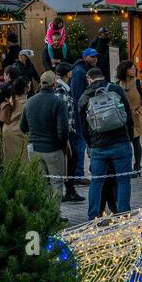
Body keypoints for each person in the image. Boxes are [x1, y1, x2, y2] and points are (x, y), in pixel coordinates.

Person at [78, 68, 134, 220]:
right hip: (120, 142)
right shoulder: (116, 89)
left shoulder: (85, 97)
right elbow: (128, 116)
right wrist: (129, 138)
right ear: (103, 76)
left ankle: (93, 215)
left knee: (96, 182)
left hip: (98, 147)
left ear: (88, 78)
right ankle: (123, 214)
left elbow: (83, 127)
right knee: (123, 180)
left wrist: (91, 145)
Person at [20, 70, 69, 204]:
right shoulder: (58, 102)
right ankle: (54, 215)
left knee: (41, 183)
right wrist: (62, 145)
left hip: (34, 149)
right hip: (53, 148)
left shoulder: (29, 102)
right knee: (56, 182)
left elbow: (23, 127)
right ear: (54, 84)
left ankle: (44, 214)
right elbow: (63, 130)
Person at [70, 46, 100, 183]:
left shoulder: (83, 70)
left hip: (82, 113)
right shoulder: (79, 72)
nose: (95, 59)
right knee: (80, 144)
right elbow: (77, 95)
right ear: (85, 57)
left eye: (96, 56)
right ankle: (78, 174)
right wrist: (80, 114)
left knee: (81, 144)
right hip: (79, 115)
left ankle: (78, 173)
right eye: (92, 56)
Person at [117, 59, 142, 177]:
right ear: (124, 70)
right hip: (122, 117)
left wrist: (140, 111)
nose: (134, 69)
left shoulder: (139, 83)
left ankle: (137, 167)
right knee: (125, 143)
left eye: (134, 67)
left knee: (136, 141)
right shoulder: (118, 84)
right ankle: (126, 166)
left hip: (136, 117)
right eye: (131, 68)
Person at [54, 62, 83, 202]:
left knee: (71, 160)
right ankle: (69, 190)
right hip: (66, 132)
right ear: (68, 73)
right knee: (72, 159)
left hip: (67, 131)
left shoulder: (63, 88)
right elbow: (62, 114)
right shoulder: (61, 90)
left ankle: (70, 190)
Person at [0, 75, 29, 163]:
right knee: (23, 163)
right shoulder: (26, 103)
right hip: (19, 133)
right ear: (25, 89)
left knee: (10, 162)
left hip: (7, 131)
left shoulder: (11, 99)